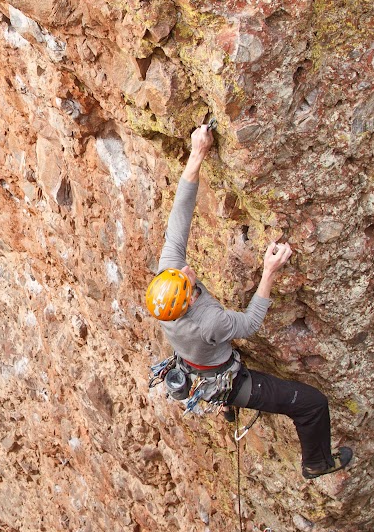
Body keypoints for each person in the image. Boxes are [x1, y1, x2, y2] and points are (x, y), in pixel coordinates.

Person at [147, 122, 353, 479]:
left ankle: (224, 402)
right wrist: (269, 271)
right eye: (189, 277)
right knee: (311, 403)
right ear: (191, 298)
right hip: (227, 378)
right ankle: (317, 462)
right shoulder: (211, 320)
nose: (188, 268)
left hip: (193, 365)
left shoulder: (166, 289)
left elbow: (179, 217)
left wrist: (197, 153)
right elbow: (252, 323)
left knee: (217, 368)